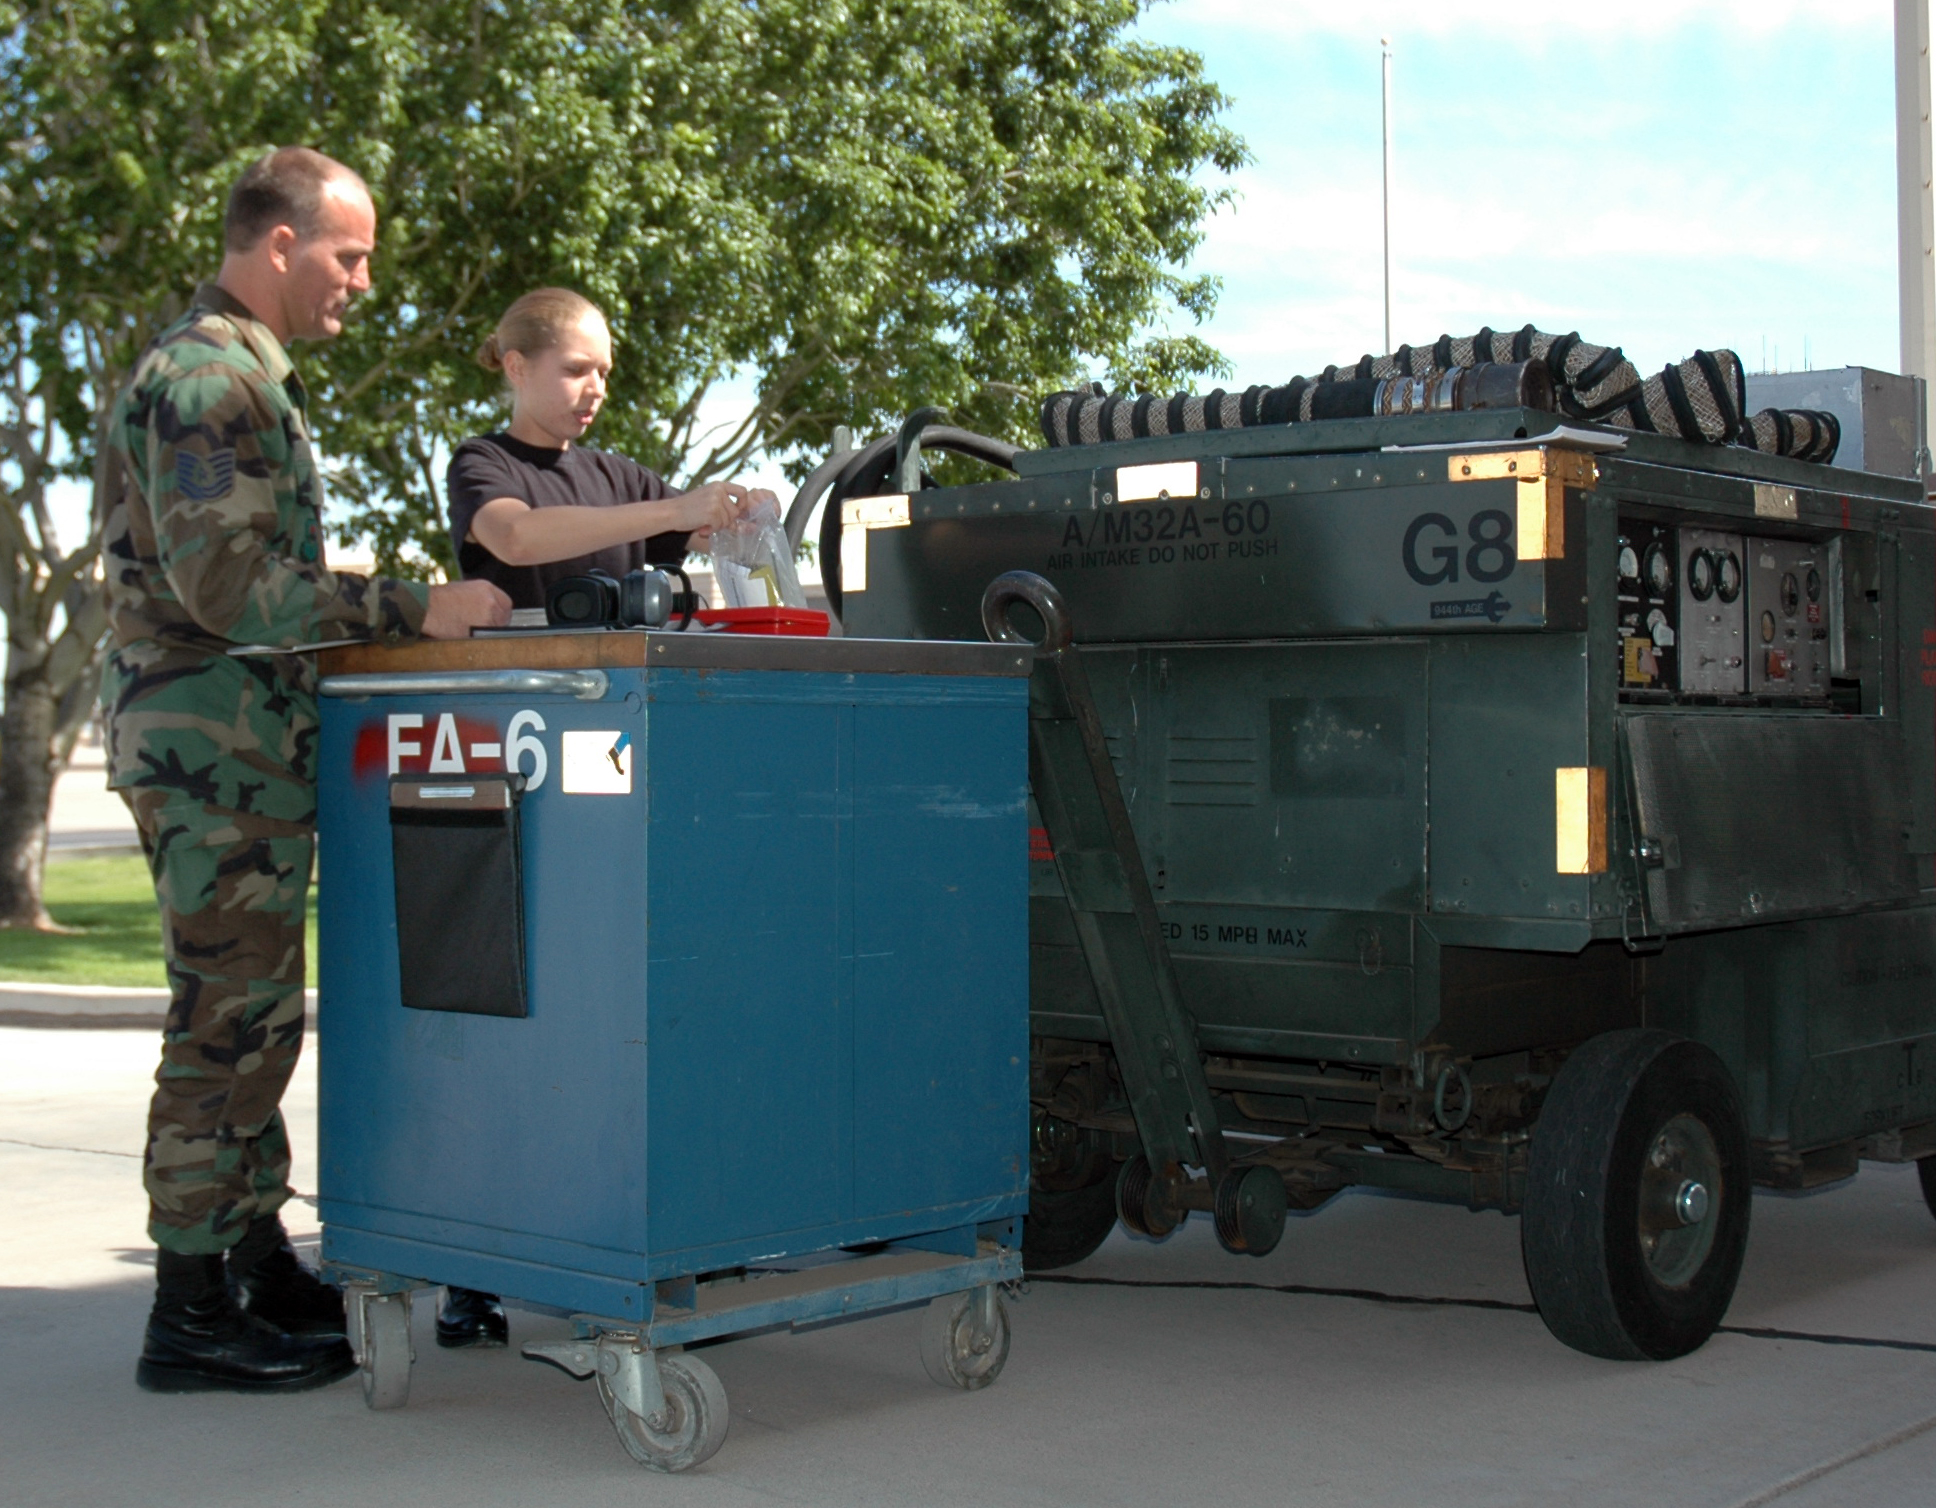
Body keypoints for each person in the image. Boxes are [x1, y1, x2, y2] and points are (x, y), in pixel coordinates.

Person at [99, 147, 512, 1394]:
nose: (363, 281)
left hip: (243, 749)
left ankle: (254, 1257)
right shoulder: (205, 377)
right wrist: (410, 605)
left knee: (257, 1016)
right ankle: (187, 1305)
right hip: (208, 747)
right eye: (350, 254)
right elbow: (222, 586)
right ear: (279, 243)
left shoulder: (240, 374)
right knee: (222, 1022)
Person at [431, 287, 766, 1350]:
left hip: (627, 788)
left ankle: (654, 1231)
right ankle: (474, 1260)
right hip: (516, 786)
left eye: (605, 372)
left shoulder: (623, 476)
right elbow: (518, 539)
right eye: (575, 367)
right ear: (515, 364)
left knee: (630, 1008)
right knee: (514, 1015)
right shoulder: (487, 465)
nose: (592, 389)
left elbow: (690, 584)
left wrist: (740, 543)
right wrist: (671, 511)